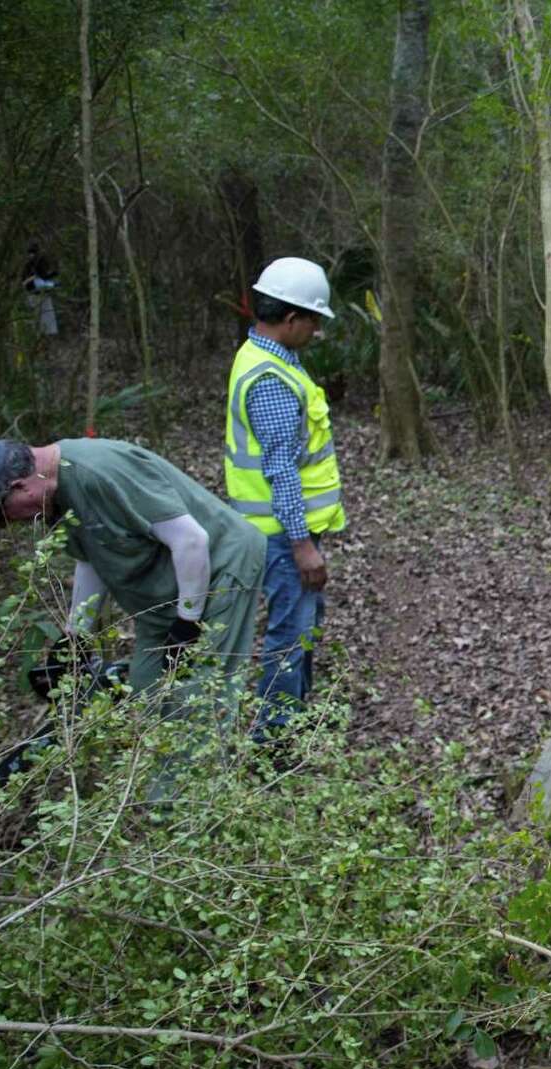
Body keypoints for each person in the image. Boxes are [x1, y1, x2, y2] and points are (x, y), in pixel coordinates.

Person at [0, 436, 263, 694]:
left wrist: (187, 623)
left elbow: (191, 540)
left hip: (221, 567)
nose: (7, 523)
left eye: (1, 513)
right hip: (164, 593)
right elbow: (93, 558)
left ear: (20, 486)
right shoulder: (56, 498)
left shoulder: (98, 471)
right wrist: (75, 638)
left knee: (196, 699)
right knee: (148, 693)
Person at [223, 256, 345, 734]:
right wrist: (302, 545)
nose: (316, 331)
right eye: (313, 320)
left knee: (302, 627)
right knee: (290, 636)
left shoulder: (264, 359)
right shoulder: (271, 380)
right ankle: (276, 741)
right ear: (291, 319)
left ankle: (297, 722)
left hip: (281, 531)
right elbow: (281, 469)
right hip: (280, 536)